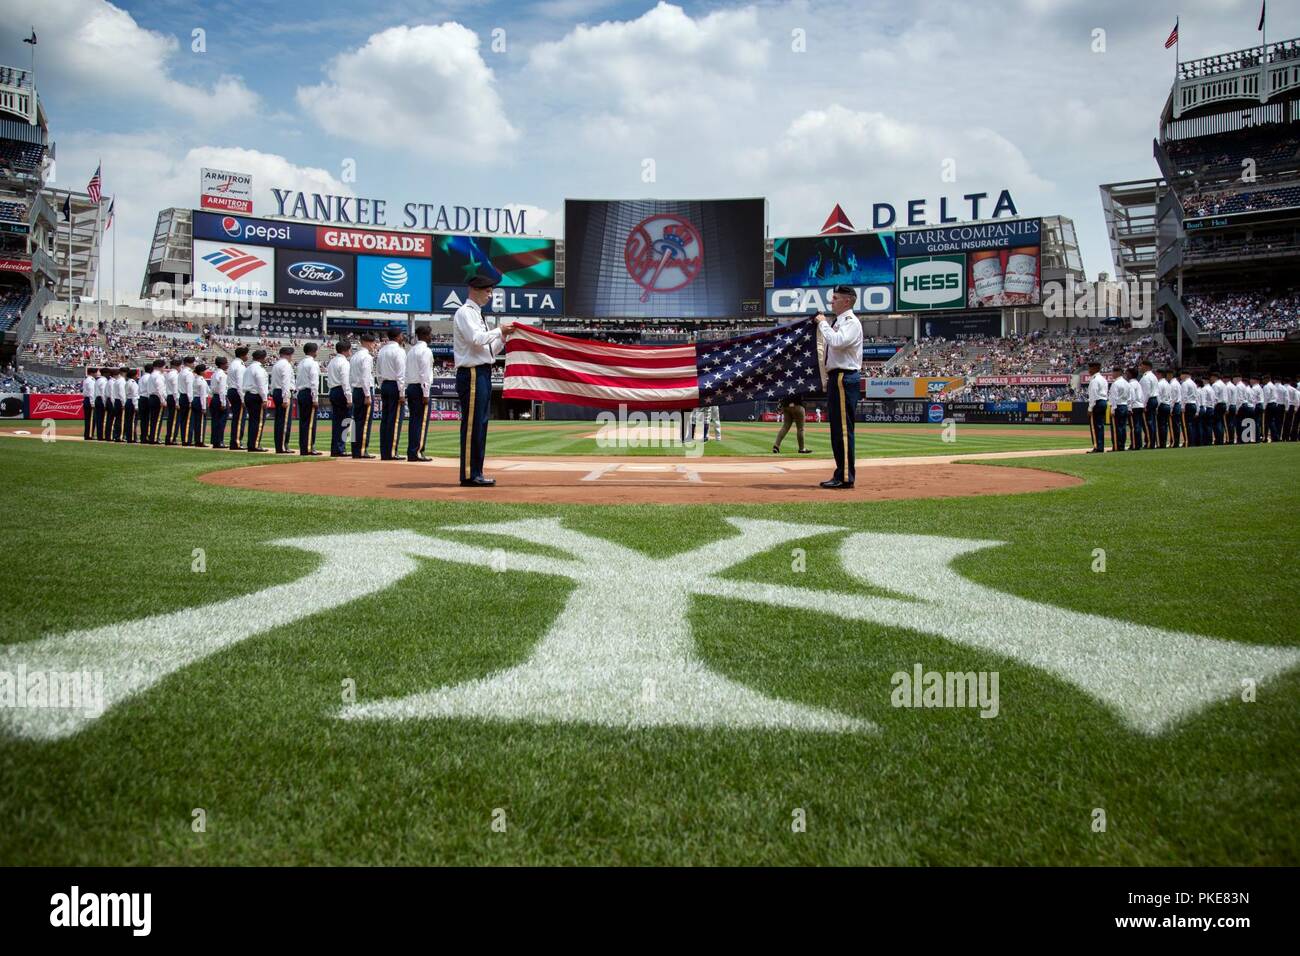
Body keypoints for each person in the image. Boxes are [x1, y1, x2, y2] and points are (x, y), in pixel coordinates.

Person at [453, 275, 511, 485]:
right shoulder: (465, 313)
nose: (490, 295)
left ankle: (476, 471)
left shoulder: (479, 315)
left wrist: (502, 338)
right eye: (487, 291)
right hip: (472, 373)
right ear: (474, 290)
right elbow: (476, 339)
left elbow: (488, 351)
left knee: (481, 423)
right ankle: (470, 474)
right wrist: (499, 330)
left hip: (483, 370)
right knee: (473, 424)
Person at [816, 286, 863, 489]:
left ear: (847, 301)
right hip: (837, 378)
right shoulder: (839, 322)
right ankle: (840, 473)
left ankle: (845, 477)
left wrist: (822, 324)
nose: (831, 302)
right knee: (837, 430)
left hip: (844, 377)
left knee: (843, 430)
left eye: (834, 298)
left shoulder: (851, 322)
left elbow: (837, 342)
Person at [377, 328, 406, 461]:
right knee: (395, 420)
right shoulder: (399, 351)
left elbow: (377, 371)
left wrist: (381, 384)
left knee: (385, 419)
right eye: (402, 335)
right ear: (398, 336)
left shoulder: (382, 350)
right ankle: (392, 452)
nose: (402, 337)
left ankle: (384, 451)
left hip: (385, 385)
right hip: (395, 385)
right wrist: (402, 392)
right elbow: (401, 374)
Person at [405, 326, 433, 462]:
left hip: (411, 386)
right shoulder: (425, 350)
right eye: (430, 334)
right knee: (421, 422)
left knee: (414, 421)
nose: (431, 337)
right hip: (420, 388)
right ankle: (417, 452)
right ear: (425, 335)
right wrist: (426, 393)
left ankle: (412, 451)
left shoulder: (411, 351)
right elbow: (425, 373)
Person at [350, 332, 378, 459]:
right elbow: (366, 377)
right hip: (363, 390)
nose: (374, 345)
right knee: (365, 422)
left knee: (356, 421)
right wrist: (367, 395)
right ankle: (362, 449)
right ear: (367, 342)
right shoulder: (366, 357)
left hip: (356, 389)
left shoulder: (355, 356)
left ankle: (356, 449)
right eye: (373, 343)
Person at [327, 340, 353, 458]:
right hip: (341, 391)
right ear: (345, 350)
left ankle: (335, 448)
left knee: (337, 422)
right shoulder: (344, 363)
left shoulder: (332, 361)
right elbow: (345, 382)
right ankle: (340, 448)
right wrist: (349, 398)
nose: (350, 351)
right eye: (349, 349)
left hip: (333, 390)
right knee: (346, 422)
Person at [296, 343, 321, 456]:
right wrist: (315, 398)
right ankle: (309, 447)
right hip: (308, 393)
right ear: (313, 351)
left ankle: (304, 447)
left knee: (303, 422)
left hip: (301, 392)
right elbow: (314, 382)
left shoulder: (301, 363)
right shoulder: (313, 363)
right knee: (310, 422)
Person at [244, 349, 270, 452]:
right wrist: (264, 399)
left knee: (252, 421)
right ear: (262, 358)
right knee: (258, 422)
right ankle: (255, 445)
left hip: (248, 395)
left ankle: (251, 443)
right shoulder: (259, 369)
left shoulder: (248, 368)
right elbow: (261, 385)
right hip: (256, 396)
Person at [272, 346, 296, 455]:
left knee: (279, 421)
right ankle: (282, 446)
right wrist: (286, 398)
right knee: (285, 422)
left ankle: (279, 445)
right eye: (291, 355)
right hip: (283, 392)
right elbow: (286, 382)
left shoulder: (277, 364)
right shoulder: (286, 365)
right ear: (288, 354)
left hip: (276, 391)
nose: (292, 357)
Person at [227, 345, 248, 451]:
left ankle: (235, 441)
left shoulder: (233, 364)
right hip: (237, 391)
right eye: (246, 354)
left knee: (237, 418)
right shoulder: (239, 366)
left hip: (232, 390)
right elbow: (240, 383)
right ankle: (236, 442)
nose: (247, 356)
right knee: (239, 419)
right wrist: (243, 399)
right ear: (243, 355)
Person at [1086, 362, 1107, 453]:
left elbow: (1093, 395)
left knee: (1095, 426)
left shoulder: (1094, 380)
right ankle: (1100, 446)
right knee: (1100, 426)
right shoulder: (1103, 379)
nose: (1089, 370)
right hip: (1103, 401)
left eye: (1090, 368)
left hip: (1097, 403)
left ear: (1094, 369)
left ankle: (1097, 446)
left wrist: (1090, 408)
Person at [1138, 360, 1158, 449]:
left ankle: (1149, 442)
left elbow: (1146, 393)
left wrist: (1144, 405)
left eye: (1141, 366)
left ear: (1146, 367)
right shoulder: (1153, 376)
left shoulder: (1146, 377)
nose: (1140, 367)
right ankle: (1152, 442)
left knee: (1147, 423)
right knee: (1152, 423)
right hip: (1154, 399)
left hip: (1149, 400)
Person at [1108, 367, 1130, 451]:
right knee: (1123, 427)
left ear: (1117, 373)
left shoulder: (1116, 383)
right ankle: (1122, 445)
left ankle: (1116, 446)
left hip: (1117, 406)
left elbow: (1114, 397)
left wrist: (1113, 409)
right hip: (1125, 406)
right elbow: (1129, 397)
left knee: (1116, 428)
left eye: (1113, 372)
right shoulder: (1126, 383)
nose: (1112, 374)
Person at [210, 357, 229, 449]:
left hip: (214, 397)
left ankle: (215, 441)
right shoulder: (222, 375)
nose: (227, 365)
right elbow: (222, 390)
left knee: (215, 421)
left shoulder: (214, 374)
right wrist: (223, 403)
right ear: (222, 364)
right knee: (221, 421)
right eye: (226, 363)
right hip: (220, 398)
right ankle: (219, 441)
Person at [177, 357, 195, 446]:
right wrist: (191, 401)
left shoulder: (181, 372)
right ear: (189, 363)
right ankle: (187, 440)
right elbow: (189, 388)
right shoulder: (188, 373)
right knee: (188, 420)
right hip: (187, 397)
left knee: (183, 420)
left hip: (182, 396)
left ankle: (184, 438)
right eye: (192, 362)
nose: (193, 364)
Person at [189, 365, 209, 447]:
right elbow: (203, 395)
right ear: (201, 372)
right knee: (200, 422)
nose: (206, 372)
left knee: (196, 422)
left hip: (195, 400)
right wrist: (204, 407)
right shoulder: (202, 381)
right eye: (205, 370)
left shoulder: (195, 379)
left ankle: (197, 439)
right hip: (200, 401)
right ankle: (199, 441)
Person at [1179, 370, 1198, 447]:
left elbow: (1184, 396)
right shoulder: (1193, 383)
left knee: (1186, 425)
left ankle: (1188, 441)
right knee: (1192, 424)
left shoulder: (1185, 383)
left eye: (1181, 375)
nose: (1180, 377)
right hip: (1193, 404)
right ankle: (1192, 441)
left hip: (1188, 405)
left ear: (1185, 375)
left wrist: (1183, 407)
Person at [163, 359, 180, 445]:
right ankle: (171, 438)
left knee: (171, 418)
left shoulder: (168, 374)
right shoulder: (175, 375)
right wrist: (177, 402)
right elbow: (175, 390)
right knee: (174, 419)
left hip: (169, 396)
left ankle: (169, 437)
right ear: (178, 366)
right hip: (173, 397)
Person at [148, 360, 166, 444]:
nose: (164, 369)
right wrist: (162, 400)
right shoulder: (158, 376)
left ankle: (152, 436)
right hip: (156, 398)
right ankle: (154, 438)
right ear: (160, 366)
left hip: (151, 397)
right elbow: (159, 389)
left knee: (153, 419)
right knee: (157, 419)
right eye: (163, 367)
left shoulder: (151, 375)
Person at [1155, 369, 1173, 449]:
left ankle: (1161, 443)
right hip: (1168, 404)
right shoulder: (1168, 384)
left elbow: (1158, 397)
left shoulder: (1159, 384)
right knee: (1165, 425)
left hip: (1162, 405)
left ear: (1160, 374)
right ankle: (1164, 442)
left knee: (1161, 425)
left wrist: (1157, 407)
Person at [137, 363, 153, 444]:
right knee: (148, 419)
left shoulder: (142, 377)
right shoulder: (149, 377)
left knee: (143, 419)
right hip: (146, 398)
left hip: (141, 398)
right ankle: (146, 436)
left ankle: (143, 436)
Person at [81, 367, 97, 441]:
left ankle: (87, 434)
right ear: (92, 373)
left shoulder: (86, 380)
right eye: (96, 372)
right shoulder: (91, 381)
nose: (97, 374)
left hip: (86, 399)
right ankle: (89, 435)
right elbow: (91, 392)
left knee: (88, 419)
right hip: (89, 400)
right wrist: (92, 403)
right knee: (91, 419)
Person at [124, 367, 139, 445]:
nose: (137, 376)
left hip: (128, 401)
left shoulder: (127, 382)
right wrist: (136, 406)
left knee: (128, 420)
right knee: (132, 421)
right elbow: (135, 395)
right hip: (132, 402)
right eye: (136, 374)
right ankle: (132, 437)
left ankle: (129, 436)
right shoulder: (133, 383)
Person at [93, 366, 108, 441]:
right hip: (101, 400)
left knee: (99, 419)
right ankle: (102, 435)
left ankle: (99, 435)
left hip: (97, 399)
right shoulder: (104, 381)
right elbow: (103, 393)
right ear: (105, 373)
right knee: (103, 419)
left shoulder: (98, 380)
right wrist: (105, 403)